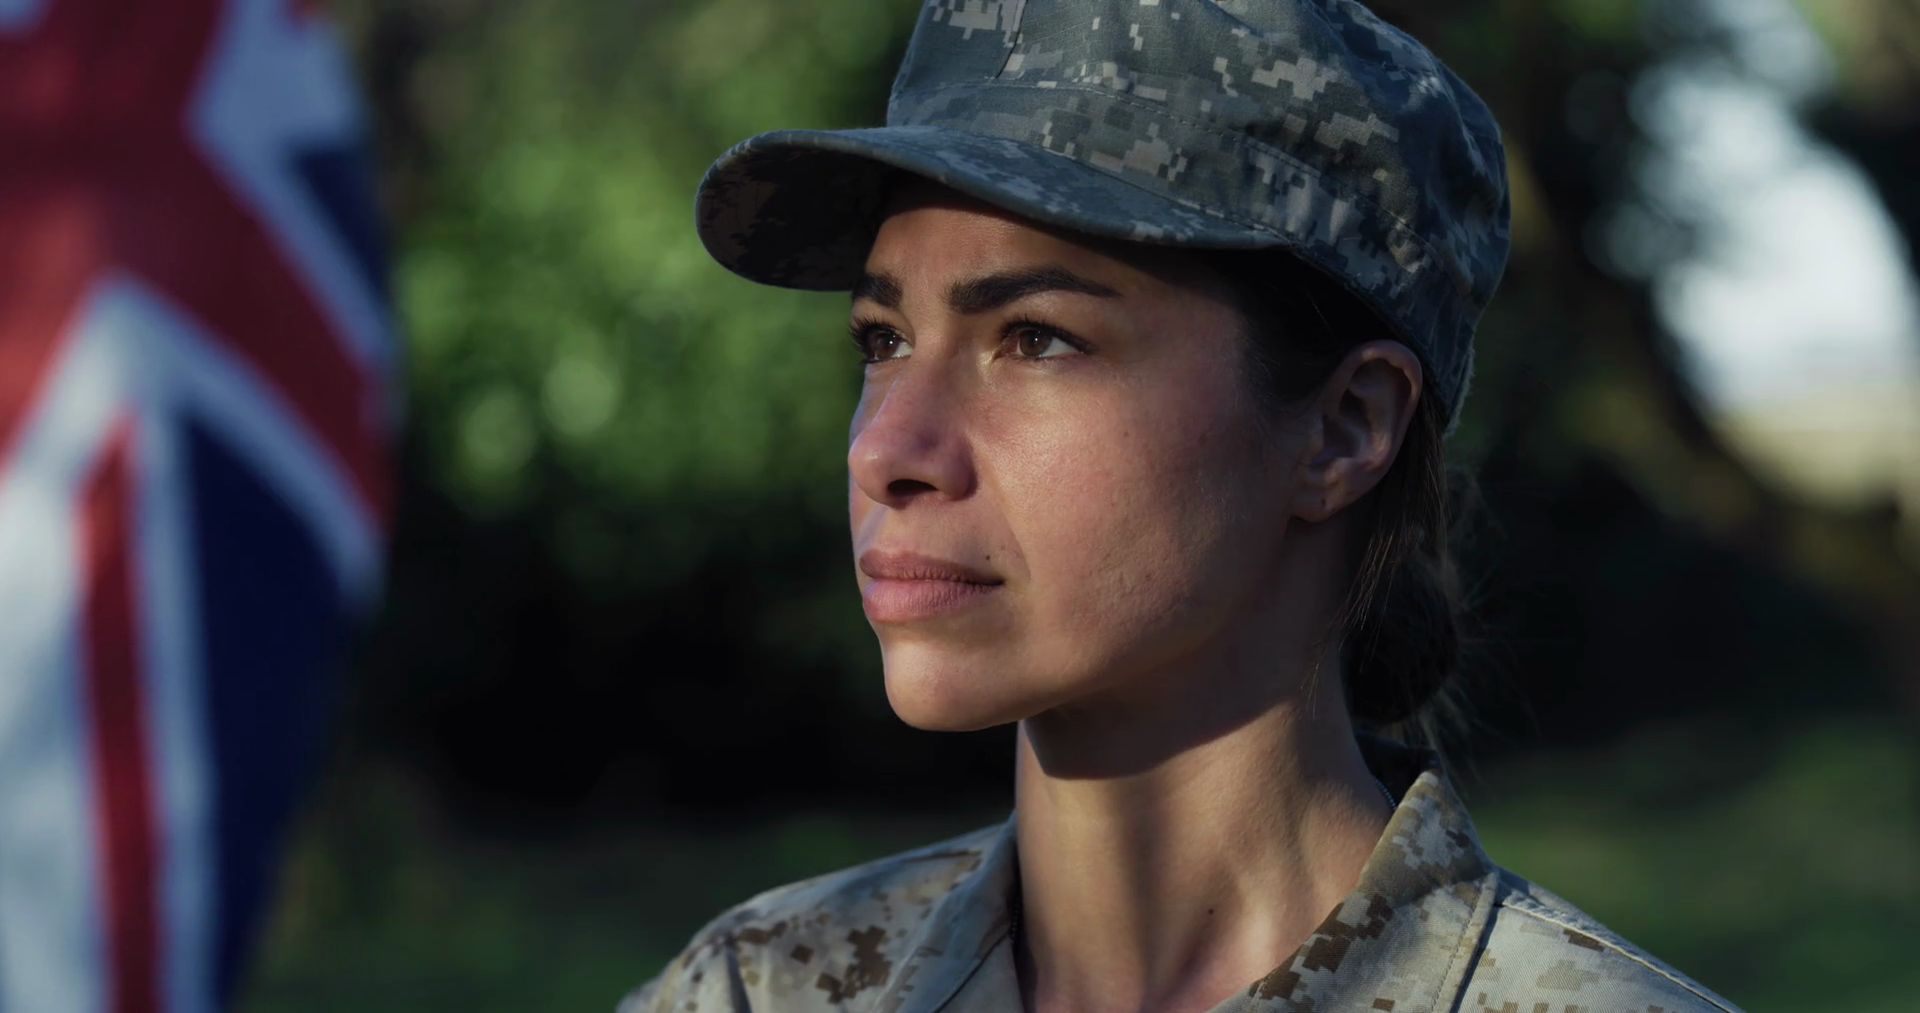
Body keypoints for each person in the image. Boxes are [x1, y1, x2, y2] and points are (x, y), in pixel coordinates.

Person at [623, 1, 1744, 1011]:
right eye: (884, 340)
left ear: (1346, 427)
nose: (885, 449)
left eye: (1036, 338)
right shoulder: (758, 986)